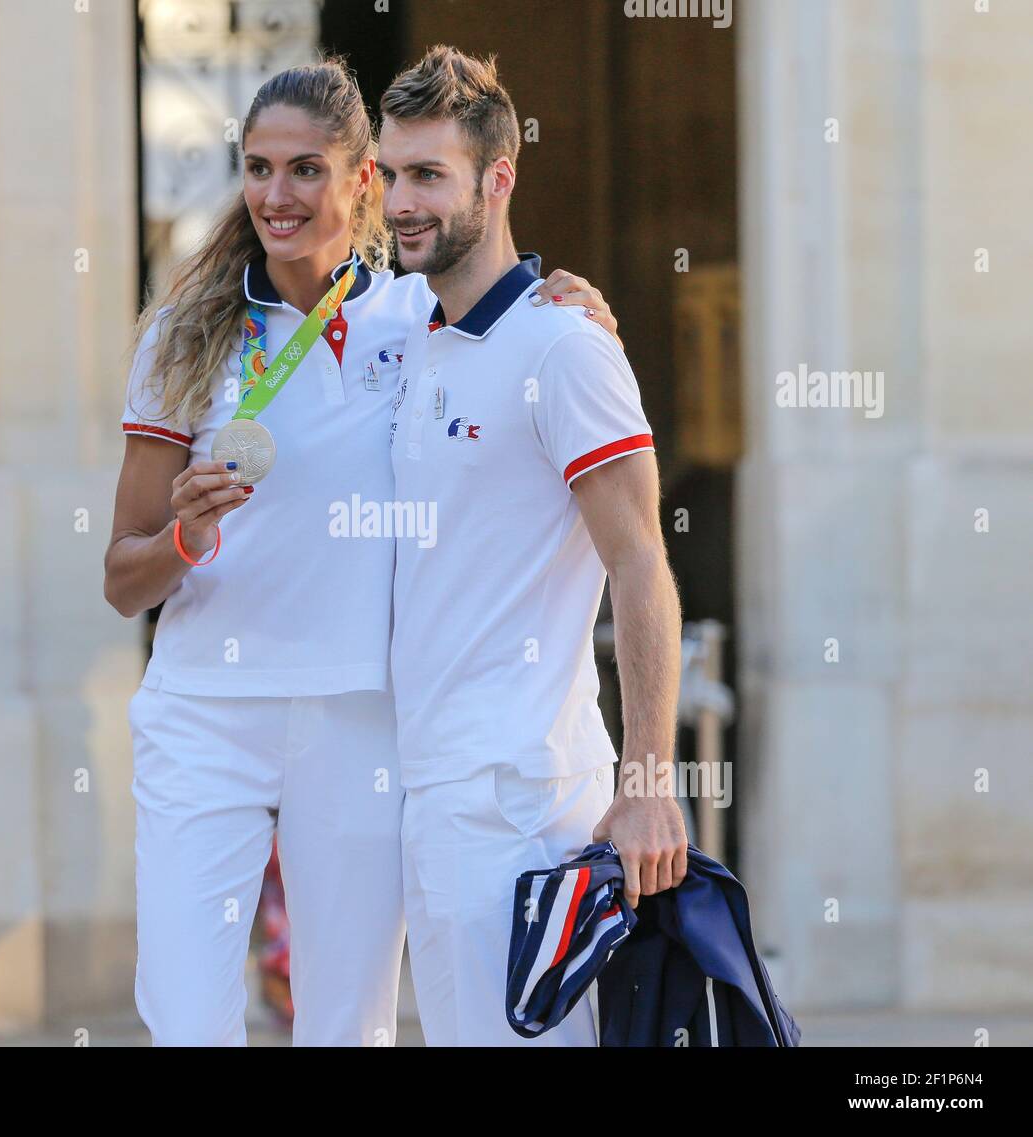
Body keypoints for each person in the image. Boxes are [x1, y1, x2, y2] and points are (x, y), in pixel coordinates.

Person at [103, 57, 618, 1046]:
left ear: (362, 182)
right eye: (257, 168)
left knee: (346, 1027)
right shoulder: (181, 337)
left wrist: (570, 305)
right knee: (187, 1021)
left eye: (305, 169)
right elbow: (124, 580)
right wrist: (184, 533)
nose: (275, 194)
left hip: (359, 718)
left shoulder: (423, 318)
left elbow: (530, 365)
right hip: (203, 717)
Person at [377, 45, 688, 1046]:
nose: (398, 201)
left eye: (427, 175)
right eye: (388, 173)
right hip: (436, 800)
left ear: (496, 179)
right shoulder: (416, 339)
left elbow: (642, 563)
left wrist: (647, 787)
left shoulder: (563, 348)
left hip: (523, 809)